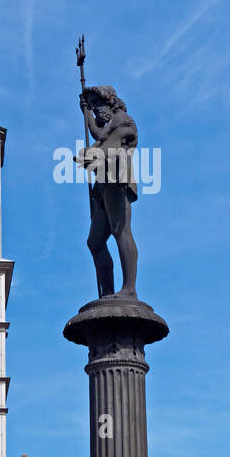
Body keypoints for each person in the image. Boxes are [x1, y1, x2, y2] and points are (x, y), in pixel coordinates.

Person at [76, 85, 139, 299]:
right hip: (103, 185)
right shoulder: (108, 128)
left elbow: (108, 145)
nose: (95, 110)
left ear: (110, 101)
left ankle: (129, 289)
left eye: (97, 105)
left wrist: (91, 155)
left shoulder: (123, 120)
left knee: (121, 230)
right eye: (92, 107)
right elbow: (101, 140)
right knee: (95, 241)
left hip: (116, 179)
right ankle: (107, 293)